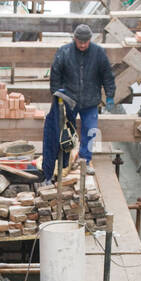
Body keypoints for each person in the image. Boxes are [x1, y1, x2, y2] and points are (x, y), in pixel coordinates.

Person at [42, 23, 115, 182]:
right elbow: (55, 74)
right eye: (80, 42)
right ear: (74, 39)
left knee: (90, 130)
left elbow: (107, 76)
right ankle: (63, 161)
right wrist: (56, 94)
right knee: (65, 131)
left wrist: (110, 95)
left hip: (90, 100)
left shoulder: (99, 53)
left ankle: (85, 160)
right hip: (69, 99)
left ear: (90, 40)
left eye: (85, 42)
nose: (82, 45)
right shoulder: (64, 52)